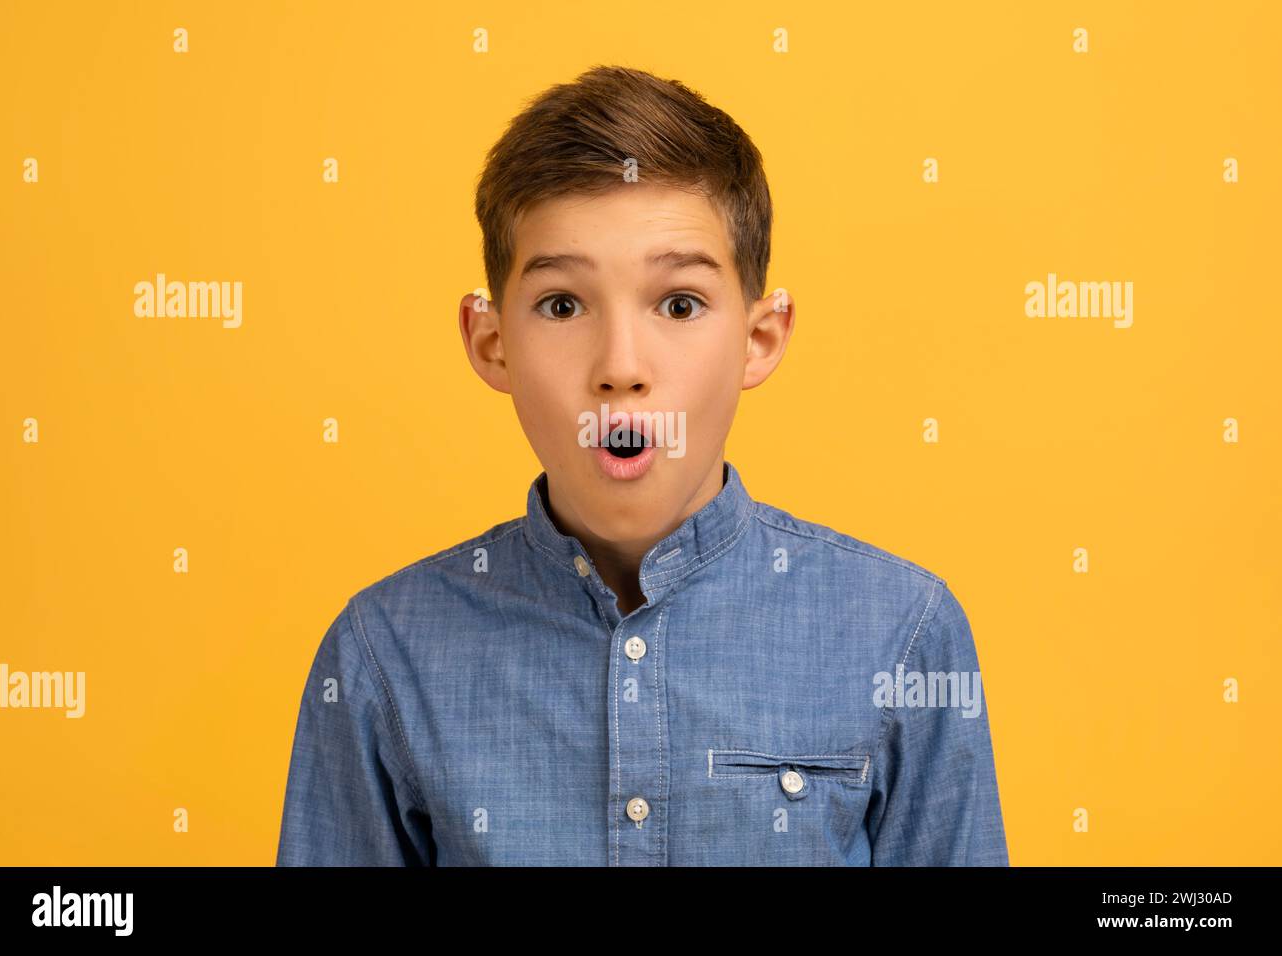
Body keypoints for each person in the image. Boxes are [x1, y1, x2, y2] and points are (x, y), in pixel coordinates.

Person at [275, 64, 1009, 866]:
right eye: (562, 305)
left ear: (760, 339)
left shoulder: (903, 634)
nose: (621, 366)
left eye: (679, 304)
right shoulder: (382, 656)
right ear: (492, 343)